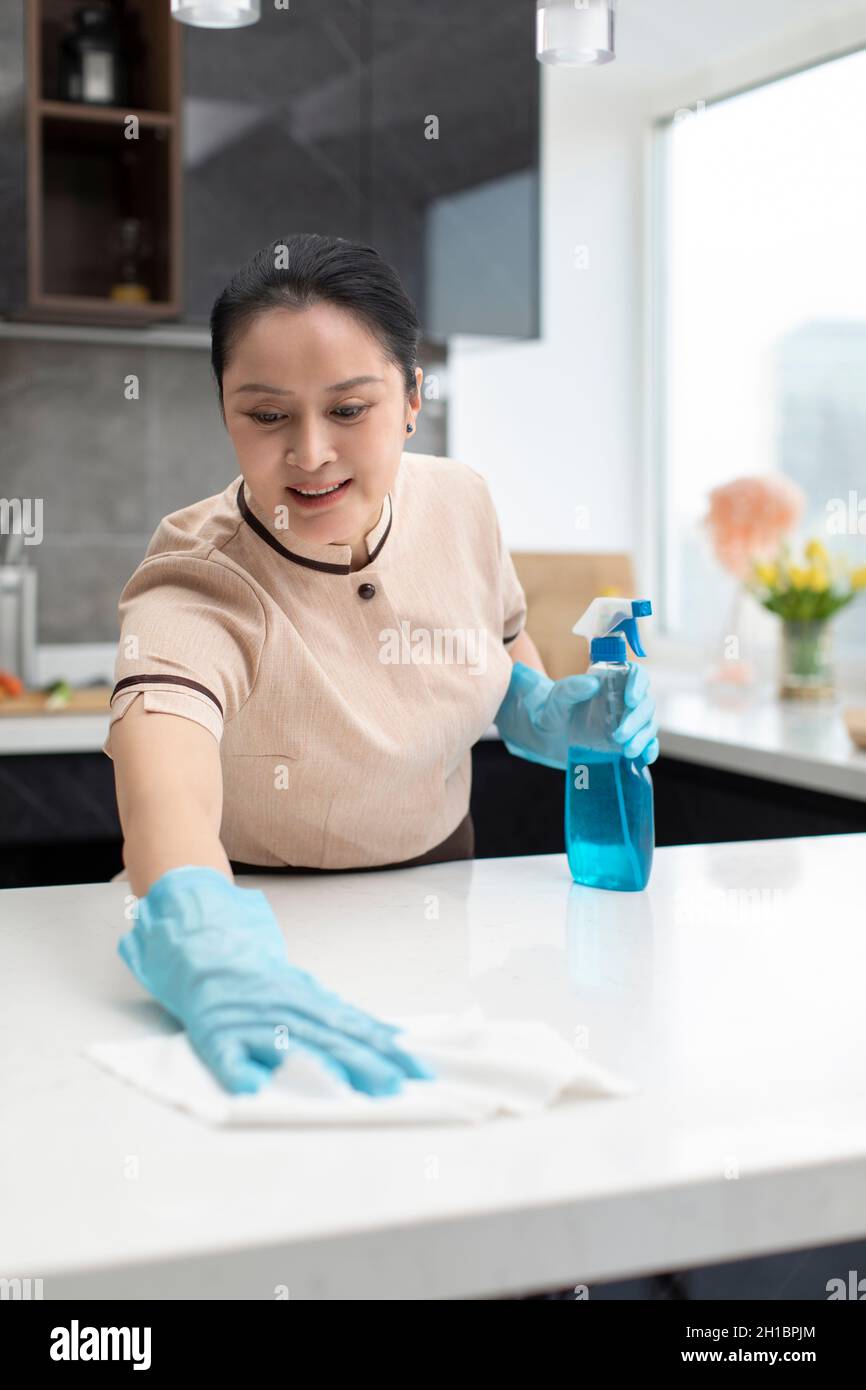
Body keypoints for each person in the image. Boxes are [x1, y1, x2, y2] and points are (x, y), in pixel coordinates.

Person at [105, 232, 659, 1100]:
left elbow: (496, 646)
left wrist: (547, 708)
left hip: (444, 918)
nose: (311, 452)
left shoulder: (461, 502)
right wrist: (202, 935)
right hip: (262, 936)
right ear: (224, 410)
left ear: (411, 398)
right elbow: (163, 785)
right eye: (266, 414)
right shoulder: (201, 572)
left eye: (350, 410)